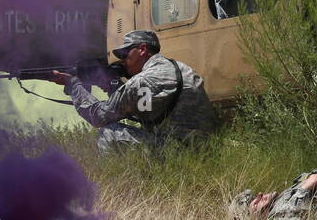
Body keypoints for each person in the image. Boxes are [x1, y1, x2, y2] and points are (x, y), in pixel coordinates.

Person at [51, 30, 217, 151]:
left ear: (142, 49)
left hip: (177, 152)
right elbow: (150, 108)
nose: (122, 60)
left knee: (108, 133)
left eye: (125, 53)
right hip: (203, 148)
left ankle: (119, 189)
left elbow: (98, 116)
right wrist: (114, 90)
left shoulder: (141, 82)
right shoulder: (180, 68)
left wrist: (73, 85)